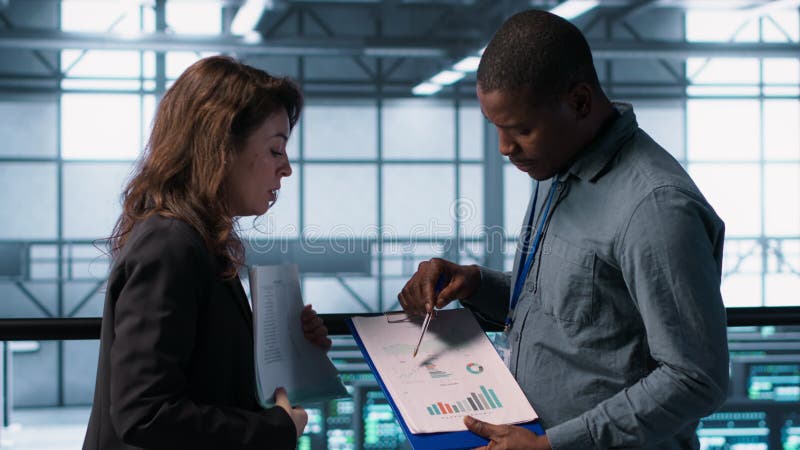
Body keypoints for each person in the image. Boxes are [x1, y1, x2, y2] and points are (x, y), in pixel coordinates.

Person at [398, 9, 729, 450]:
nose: (504, 148)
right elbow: (576, 312)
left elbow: (696, 378)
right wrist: (476, 284)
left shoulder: (655, 208)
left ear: (579, 102)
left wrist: (552, 445)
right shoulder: (557, 163)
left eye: (521, 130)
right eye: (496, 128)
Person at [83, 55, 331, 450]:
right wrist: (276, 428)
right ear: (222, 147)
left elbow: (203, 373)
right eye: (275, 150)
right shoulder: (169, 244)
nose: (286, 168)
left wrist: (290, 347)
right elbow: (145, 415)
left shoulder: (195, 240)